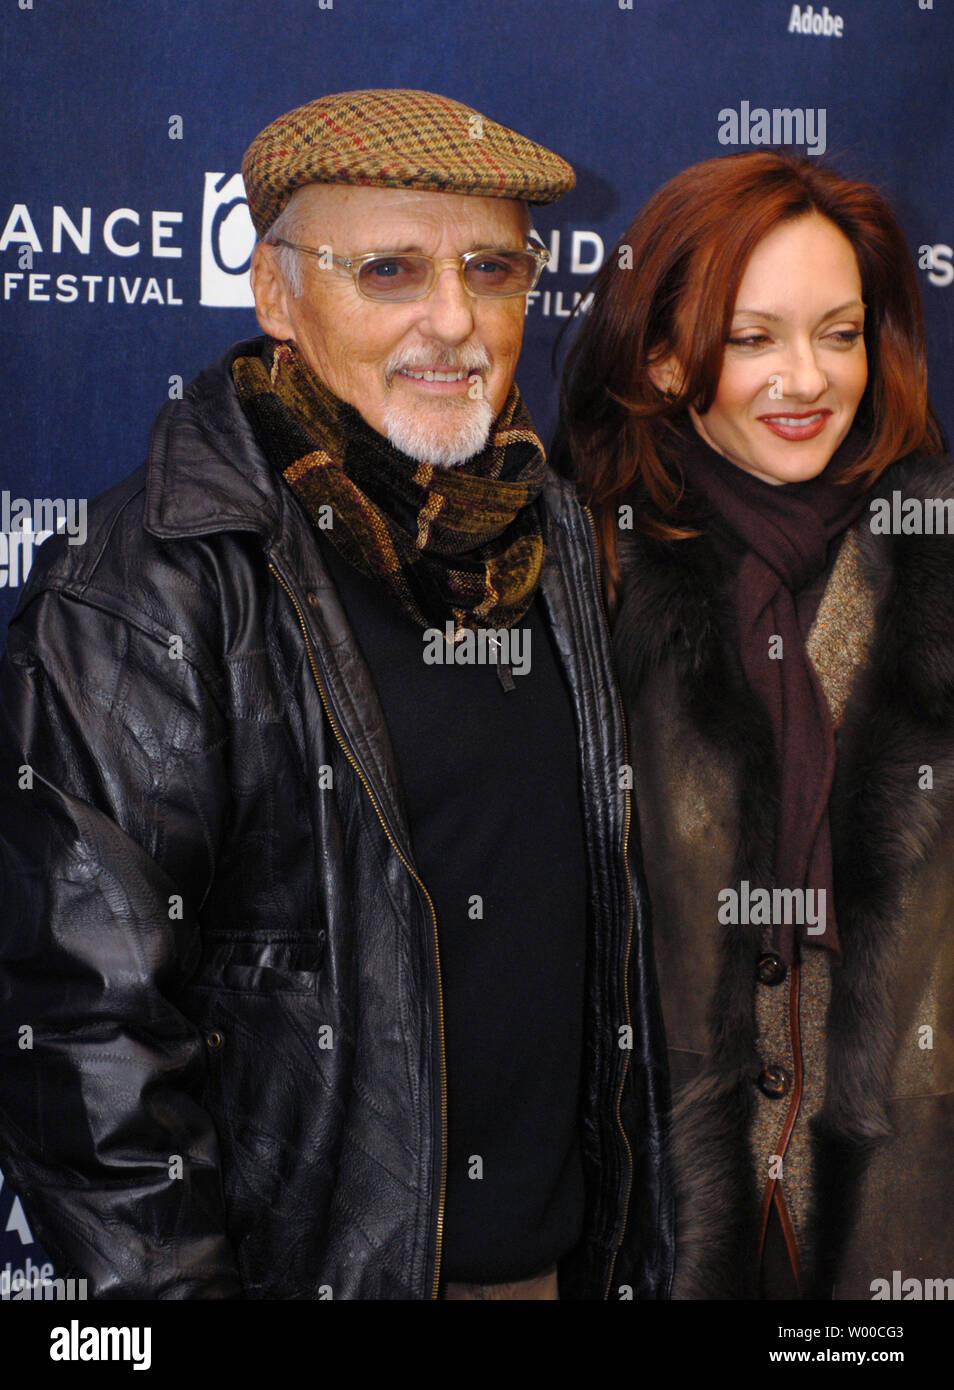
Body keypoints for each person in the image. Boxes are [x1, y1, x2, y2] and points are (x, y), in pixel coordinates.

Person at [0, 90, 672, 1301]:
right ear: (275, 293)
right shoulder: (151, 586)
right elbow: (86, 1040)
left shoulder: (552, 531)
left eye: (490, 268)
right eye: (389, 270)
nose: (454, 322)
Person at [560, 149, 953, 1300]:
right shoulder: (579, 575)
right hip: (659, 1224)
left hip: (905, 1228)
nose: (808, 378)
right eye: (753, 338)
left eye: (840, 333)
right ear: (667, 349)